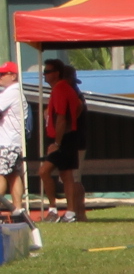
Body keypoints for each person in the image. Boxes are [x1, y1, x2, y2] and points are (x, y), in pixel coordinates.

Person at [38, 57, 85, 222]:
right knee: (67, 175)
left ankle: (53, 209)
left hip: (62, 139)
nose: (44, 75)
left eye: (47, 72)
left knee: (44, 172)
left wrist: (57, 142)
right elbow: (78, 105)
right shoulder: (66, 89)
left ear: (56, 73)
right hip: (67, 136)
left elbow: (61, 117)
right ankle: (70, 212)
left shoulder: (60, 89)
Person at [0, 61, 25, 222]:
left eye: (3, 74)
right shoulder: (16, 92)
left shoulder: (12, 91)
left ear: (13, 76)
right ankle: (18, 211)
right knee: (13, 175)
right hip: (15, 141)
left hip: (7, 142)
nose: (0, 77)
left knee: (0, 173)